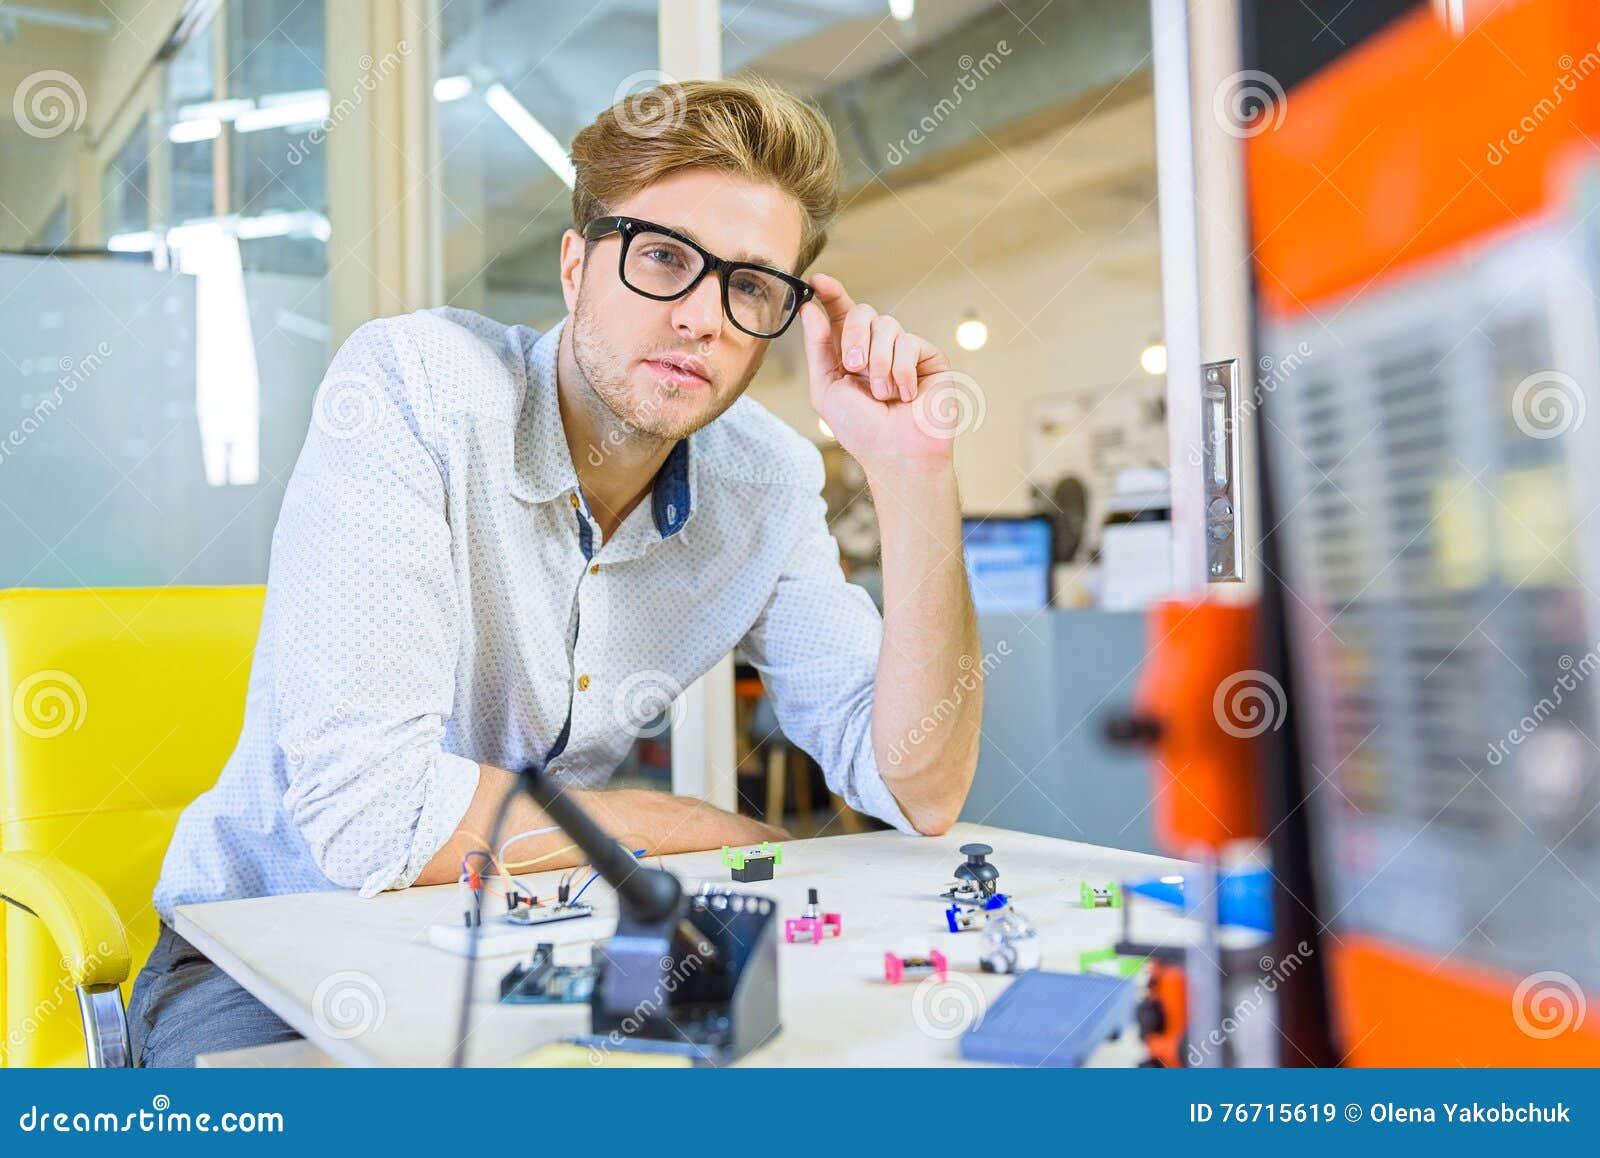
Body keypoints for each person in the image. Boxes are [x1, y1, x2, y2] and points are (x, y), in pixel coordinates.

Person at [129, 77, 982, 1066]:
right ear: (576, 267)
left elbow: (918, 785)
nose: (702, 317)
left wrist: (914, 474)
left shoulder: (766, 482)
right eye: (663, 257)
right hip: (273, 951)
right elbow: (373, 822)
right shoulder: (415, 391)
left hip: (536, 933)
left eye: (749, 286)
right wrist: (693, 824)